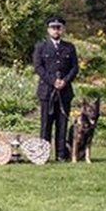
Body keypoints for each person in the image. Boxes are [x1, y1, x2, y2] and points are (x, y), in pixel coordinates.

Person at [33, 16, 79, 162]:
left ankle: (61, 155)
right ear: (48, 30)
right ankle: (44, 155)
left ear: (63, 30)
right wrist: (53, 81)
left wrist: (65, 81)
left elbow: (74, 68)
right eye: (53, 27)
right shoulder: (41, 46)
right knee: (46, 124)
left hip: (65, 92)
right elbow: (38, 67)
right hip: (47, 91)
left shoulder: (69, 47)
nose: (56, 30)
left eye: (59, 27)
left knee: (62, 124)